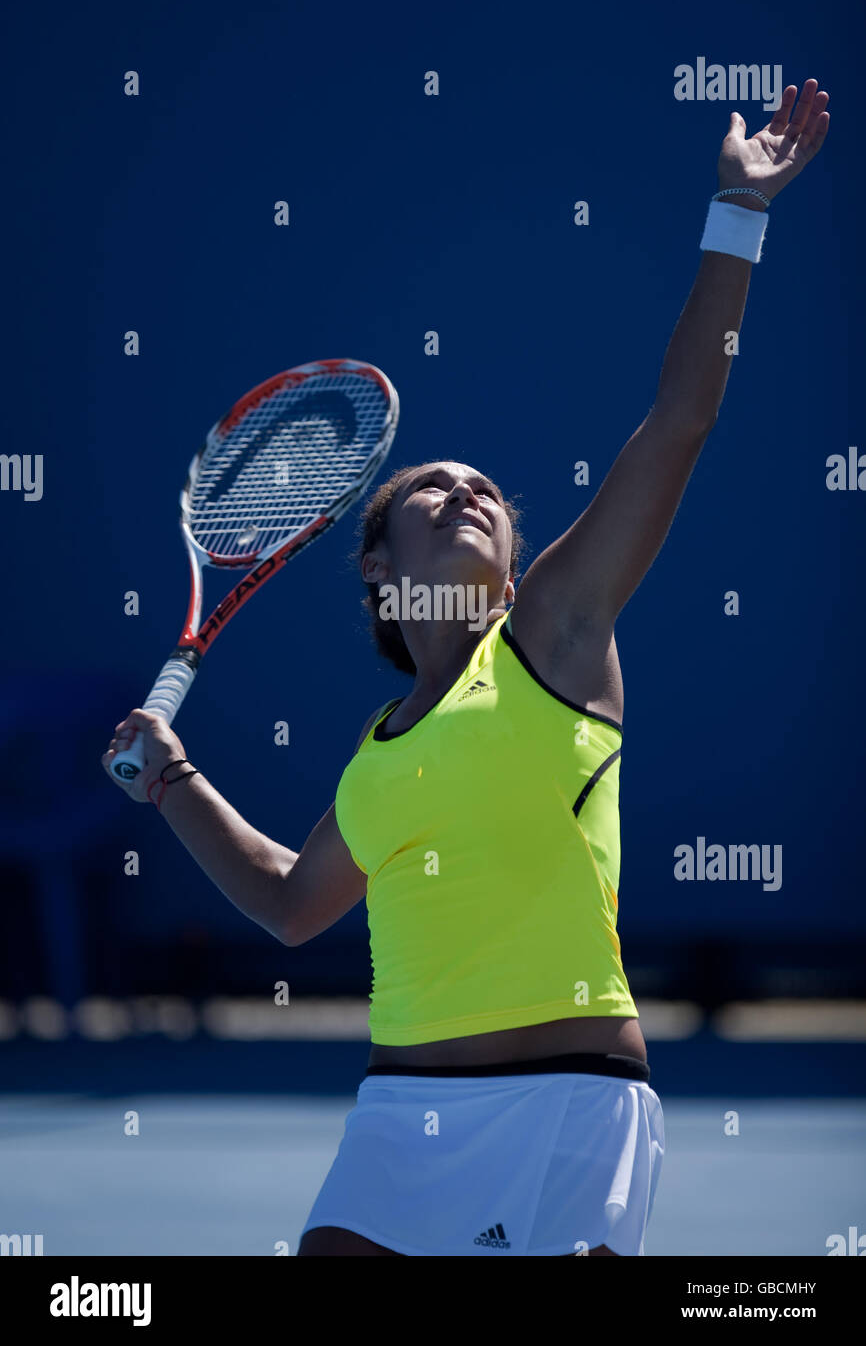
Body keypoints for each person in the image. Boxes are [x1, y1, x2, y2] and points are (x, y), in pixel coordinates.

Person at [103, 81, 830, 1255]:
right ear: (380, 570)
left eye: (485, 489)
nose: (469, 493)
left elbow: (678, 419)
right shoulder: (379, 752)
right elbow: (291, 904)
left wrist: (735, 214)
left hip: (568, 1107)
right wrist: (173, 778)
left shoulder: (552, 632)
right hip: (398, 1121)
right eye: (429, 490)